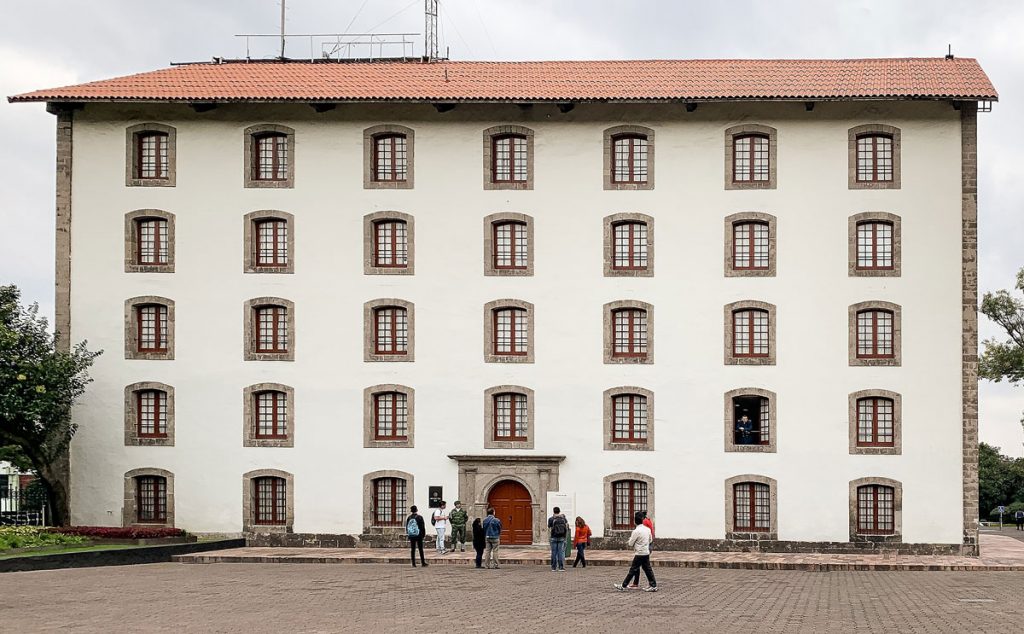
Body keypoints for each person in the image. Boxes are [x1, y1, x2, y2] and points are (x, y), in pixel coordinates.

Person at [614, 511, 657, 592]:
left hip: (639, 553)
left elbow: (630, 543)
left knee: (633, 569)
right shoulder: (647, 529)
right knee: (648, 569)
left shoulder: (636, 531)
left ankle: (623, 585)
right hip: (646, 552)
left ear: (635, 521)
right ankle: (653, 585)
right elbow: (650, 540)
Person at [631, 510, 656, 587]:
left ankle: (635, 583)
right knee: (644, 567)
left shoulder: (643, 523)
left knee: (639, 566)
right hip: (648, 544)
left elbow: (641, 535)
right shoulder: (648, 520)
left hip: (644, 546)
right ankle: (650, 584)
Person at [548, 506, 569, 571]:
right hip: (562, 537)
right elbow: (567, 527)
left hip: (553, 537)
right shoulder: (563, 519)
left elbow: (549, 528)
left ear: (553, 511)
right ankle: (561, 567)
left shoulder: (551, 519)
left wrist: (549, 537)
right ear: (559, 511)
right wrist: (566, 536)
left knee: (554, 552)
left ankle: (553, 567)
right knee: (560, 552)